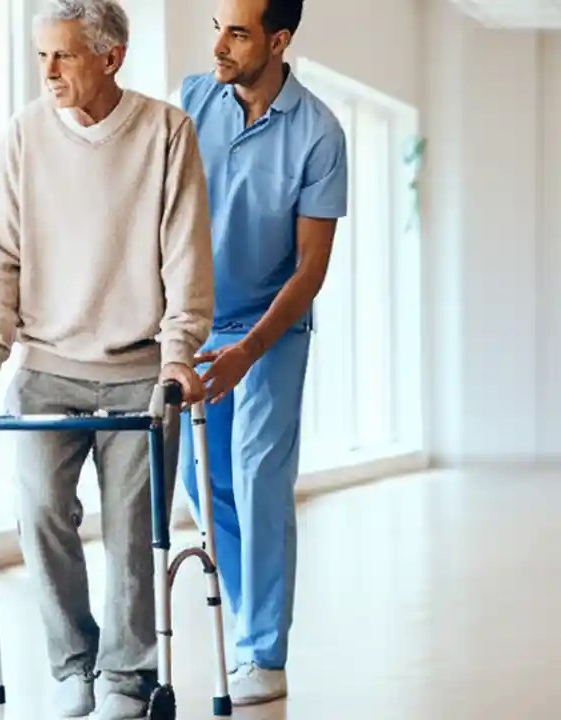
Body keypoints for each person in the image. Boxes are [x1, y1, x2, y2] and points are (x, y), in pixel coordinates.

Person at [0, 1, 214, 716]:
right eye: (42, 57)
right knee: (39, 511)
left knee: (134, 529)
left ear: (111, 56)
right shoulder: (24, 137)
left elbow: (186, 257)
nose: (49, 72)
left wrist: (179, 354)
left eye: (63, 56)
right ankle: (75, 666)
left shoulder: (166, 132)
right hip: (45, 363)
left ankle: (127, 678)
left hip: (136, 369)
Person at [172, 0, 348, 706]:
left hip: (273, 329)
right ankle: (251, 617)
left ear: (278, 41)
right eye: (216, 27)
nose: (219, 46)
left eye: (237, 33)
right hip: (196, 325)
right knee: (202, 482)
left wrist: (248, 349)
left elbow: (309, 270)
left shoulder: (319, 133)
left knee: (259, 477)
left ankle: (264, 651)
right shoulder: (192, 101)